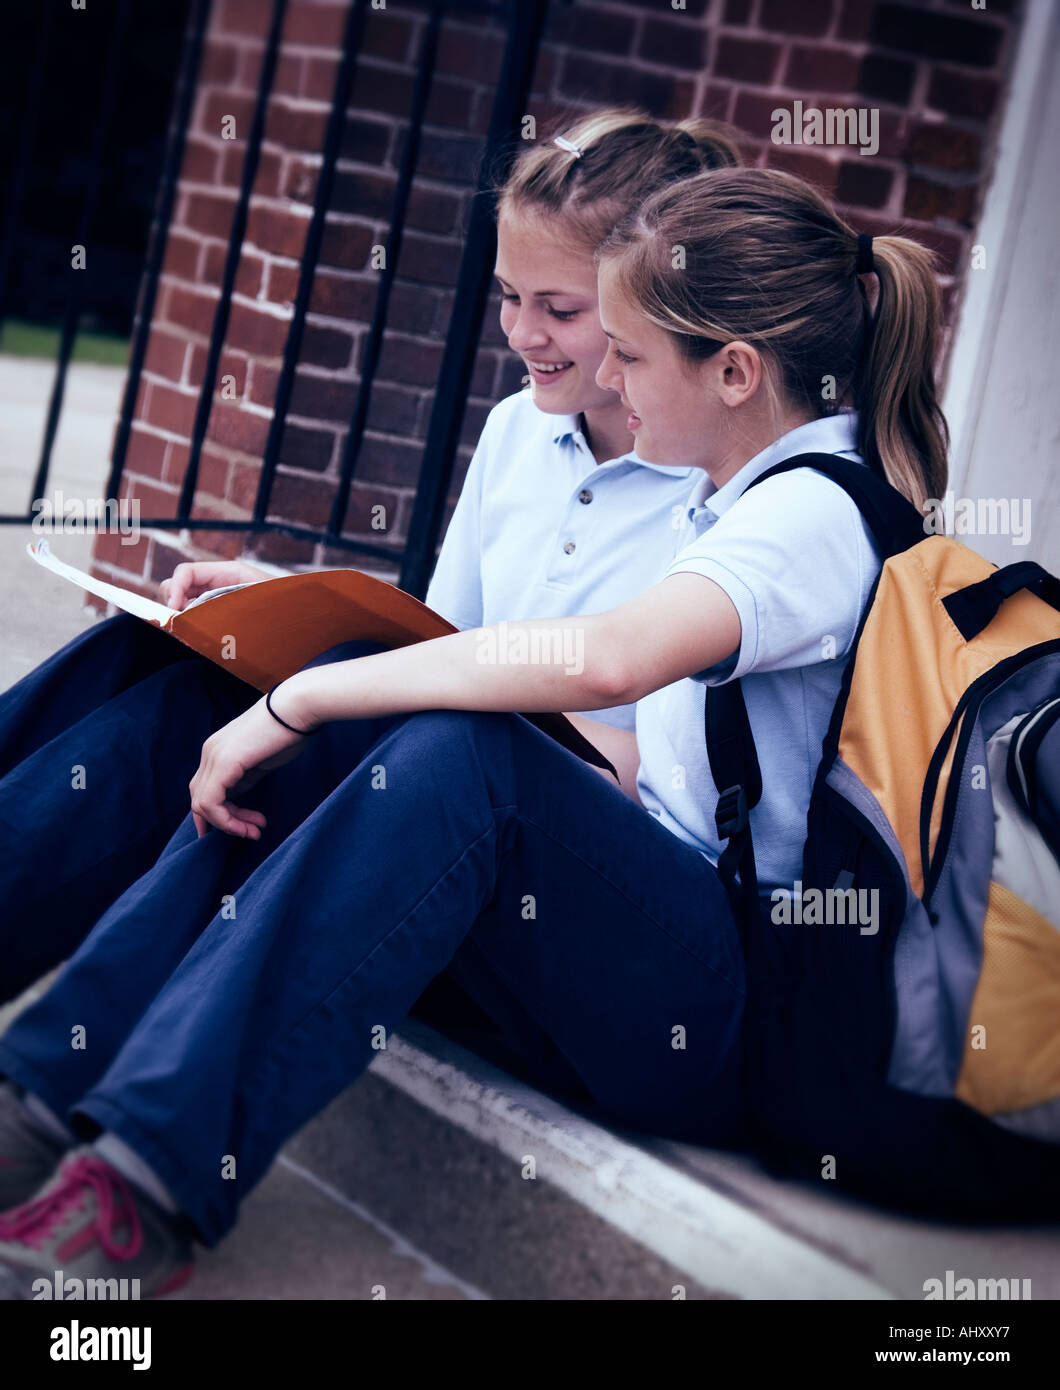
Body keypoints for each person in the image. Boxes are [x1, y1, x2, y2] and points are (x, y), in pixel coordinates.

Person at [0, 164, 948, 1299]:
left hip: (733, 1016)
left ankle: (142, 1194)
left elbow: (603, 660)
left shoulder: (815, 511)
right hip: (643, 953)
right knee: (358, 708)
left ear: (735, 371)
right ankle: (43, 1103)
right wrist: (320, 682)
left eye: (633, 355)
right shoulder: (754, 496)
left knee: (440, 746)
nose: (608, 373)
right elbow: (644, 757)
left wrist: (300, 700)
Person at [0, 109, 739, 1005]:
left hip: (514, 855)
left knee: (273, 733)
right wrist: (290, 602)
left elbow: (644, 766)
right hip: (429, 763)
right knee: (176, 653)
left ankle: (75, 1075)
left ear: (646, 304)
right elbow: (444, 635)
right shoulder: (517, 429)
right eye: (508, 295)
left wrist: (340, 685)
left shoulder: (716, 496)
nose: (520, 332)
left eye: (561, 310)